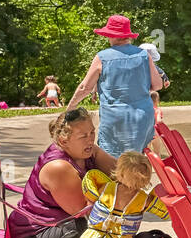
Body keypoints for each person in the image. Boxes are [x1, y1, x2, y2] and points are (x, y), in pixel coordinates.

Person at [8, 108, 116, 238]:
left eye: (92, 132)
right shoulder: (58, 167)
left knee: (118, 219)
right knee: (113, 225)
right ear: (63, 141)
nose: (91, 139)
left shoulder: (86, 150)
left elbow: (120, 173)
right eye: (83, 136)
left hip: (60, 223)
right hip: (36, 232)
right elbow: (84, 210)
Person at [68, 15, 163, 156]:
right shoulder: (144, 55)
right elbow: (157, 85)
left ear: (111, 36)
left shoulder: (102, 57)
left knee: (112, 161)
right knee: (138, 159)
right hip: (142, 118)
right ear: (127, 36)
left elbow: (85, 88)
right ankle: (140, 179)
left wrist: (70, 107)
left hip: (115, 119)